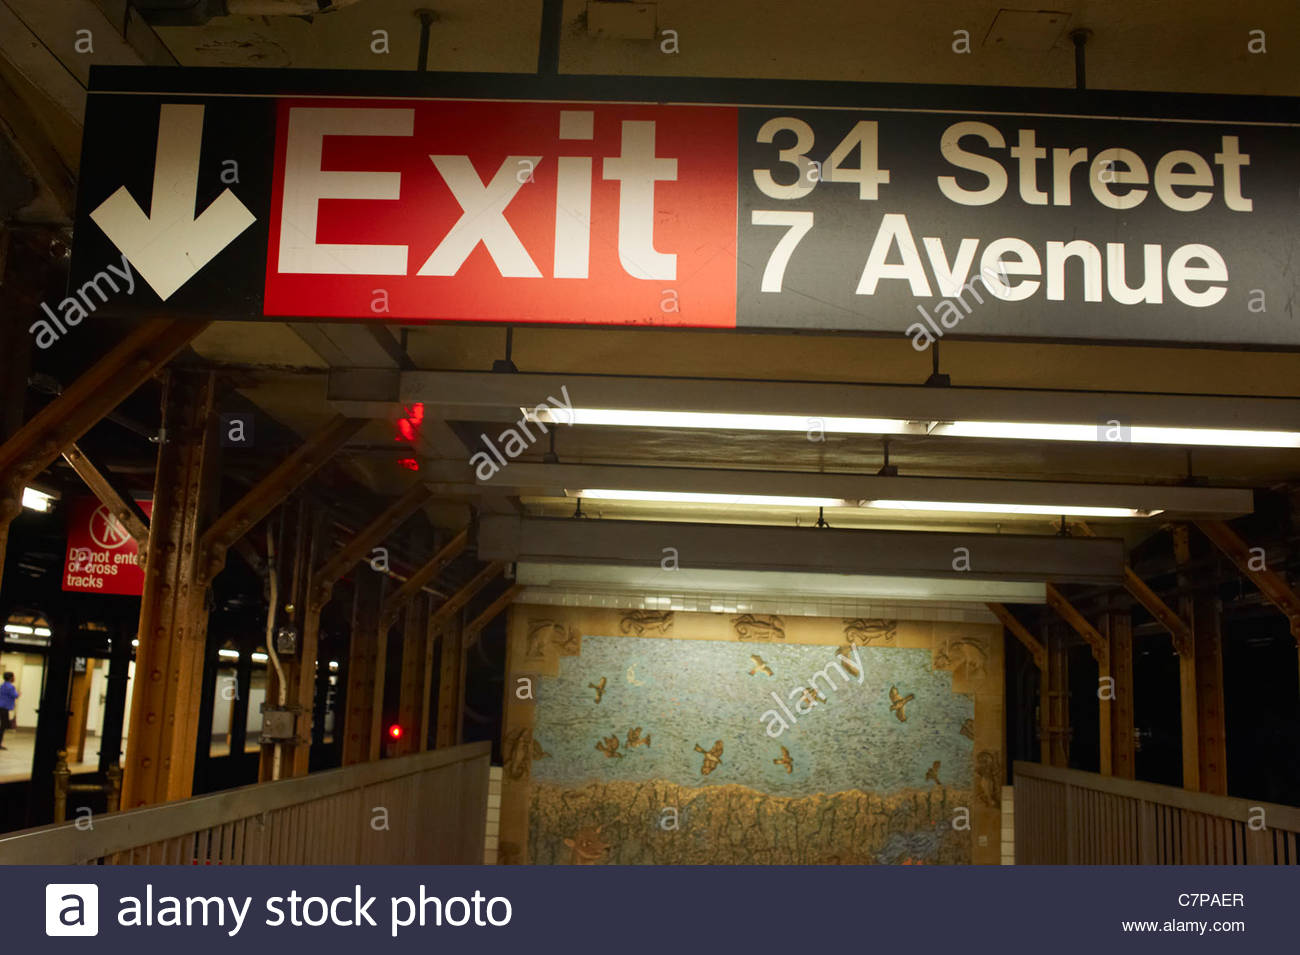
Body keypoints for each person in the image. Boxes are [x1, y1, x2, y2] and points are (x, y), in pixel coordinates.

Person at [0, 672, 18, 750]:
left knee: (2, 726)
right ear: (11, 678)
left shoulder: (2, 685)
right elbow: (15, 695)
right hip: (5, 708)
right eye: (13, 677)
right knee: (3, 727)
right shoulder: (11, 687)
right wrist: (19, 694)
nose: (14, 678)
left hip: (1, 706)